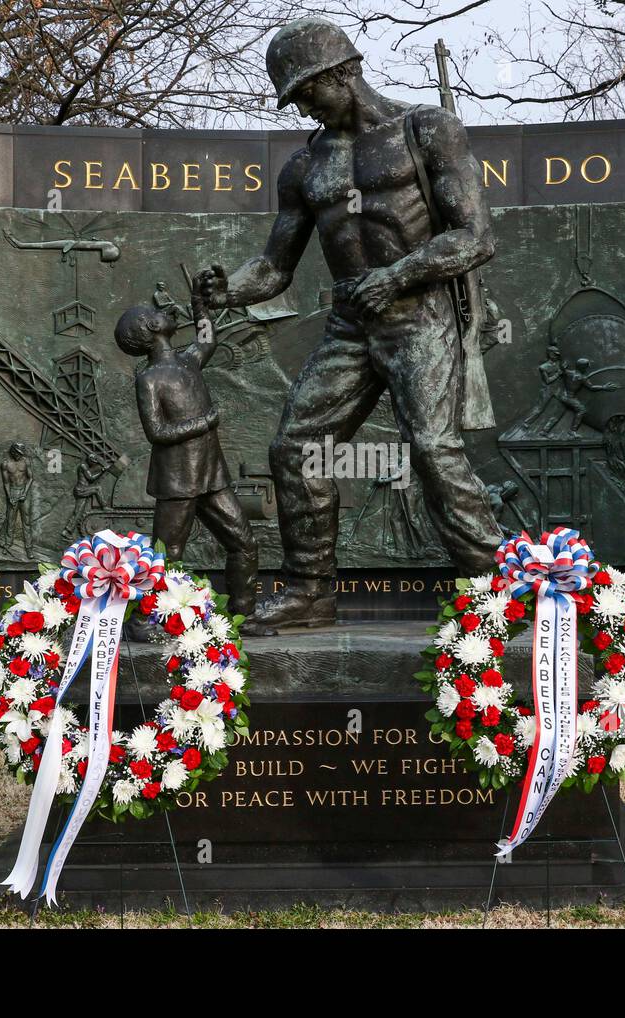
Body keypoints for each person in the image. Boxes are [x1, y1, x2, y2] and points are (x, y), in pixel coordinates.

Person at [195, 17, 501, 631]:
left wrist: (397, 276)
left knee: (434, 451)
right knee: (297, 446)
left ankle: (496, 590)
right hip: (350, 328)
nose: (302, 107)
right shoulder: (306, 165)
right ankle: (312, 591)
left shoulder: (426, 130)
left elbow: (474, 236)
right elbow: (275, 267)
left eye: (307, 92)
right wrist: (230, 290)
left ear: (342, 73)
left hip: (420, 314)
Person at [114, 298, 258, 619]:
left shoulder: (188, 361)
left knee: (244, 543)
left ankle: (244, 616)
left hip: (210, 475)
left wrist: (199, 304)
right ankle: (148, 620)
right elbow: (157, 432)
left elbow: (207, 338)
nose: (164, 313)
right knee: (167, 555)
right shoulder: (149, 379)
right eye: (156, 313)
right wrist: (204, 423)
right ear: (151, 327)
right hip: (177, 480)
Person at [0, 442, 37, 557]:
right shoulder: (5, 464)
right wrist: (9, 496)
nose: (19, 455)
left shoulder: (26, 461)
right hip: (13, 492)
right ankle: (8, 544)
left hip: (24, 492)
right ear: (13, 451)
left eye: (21, 453)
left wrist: (25, 493)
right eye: (17, 453)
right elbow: (6, 482)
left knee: (27, 521)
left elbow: (30, 478)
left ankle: (29, 548)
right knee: (10, 520)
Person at [61, 453, 107, 540]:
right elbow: (90, 478)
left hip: (82, 489)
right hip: (81, 490)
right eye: (94, 462)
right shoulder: (83, 466)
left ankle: (67, 531)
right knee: (97, 489)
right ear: (90, 460)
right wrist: (102, 470)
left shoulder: (85, 466)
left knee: (78, 512)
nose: (94, 464)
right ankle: (104, 506)